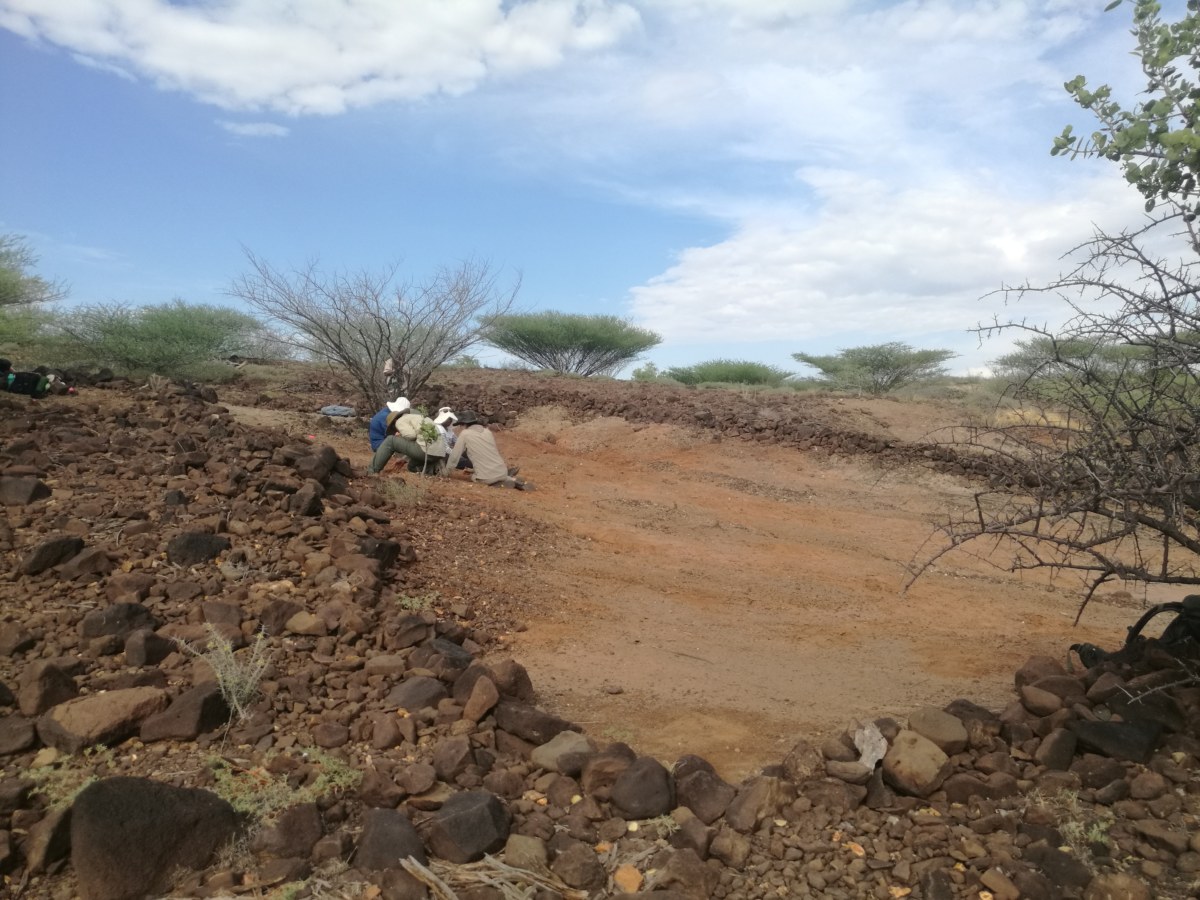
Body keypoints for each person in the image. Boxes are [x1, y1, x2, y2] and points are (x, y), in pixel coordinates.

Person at [444, 410, 530, 489]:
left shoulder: (465, 434)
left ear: (463, 424)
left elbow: (454, 457)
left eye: (460, 425)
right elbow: (486, 454)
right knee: (494, 474)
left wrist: (446, 473)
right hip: (503, 472)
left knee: (475, 477)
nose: (460, 427)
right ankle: (511, 480)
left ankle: (498, 483)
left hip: (486, 478)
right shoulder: (487, 432)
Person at [369, 406, 448, 475]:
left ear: (394, 421)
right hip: (438, 452)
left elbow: (411, 436)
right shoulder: (417, 417)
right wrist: (405, 459)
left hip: (426, 450)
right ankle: (436, 469)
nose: (396, 430)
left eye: (393, 428)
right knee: (412, 466)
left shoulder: (400, 421)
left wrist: (401, 436)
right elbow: (416, 441)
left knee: (390, 440)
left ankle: (372, 470)